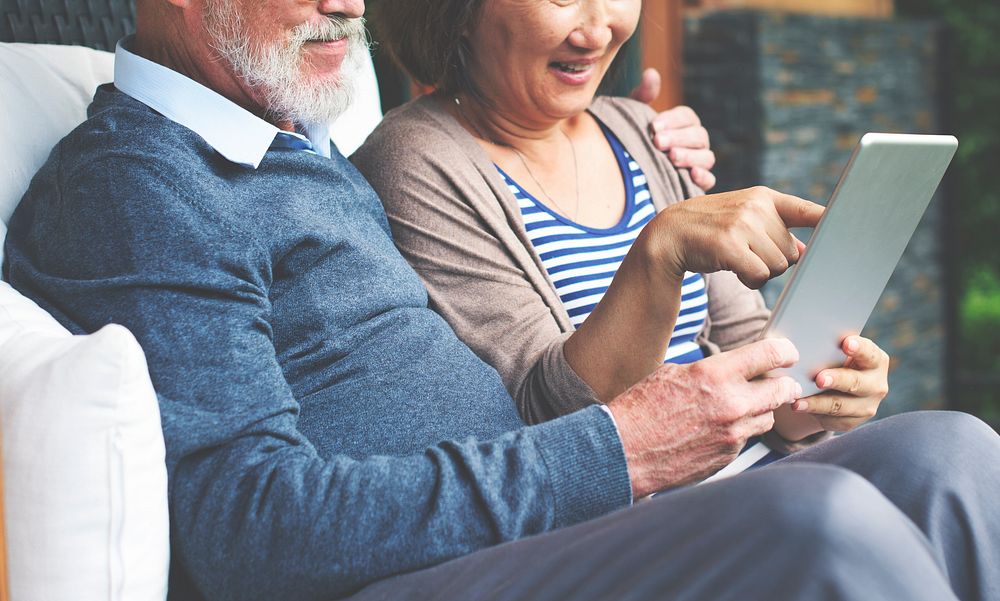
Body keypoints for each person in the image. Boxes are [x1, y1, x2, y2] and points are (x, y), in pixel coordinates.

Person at [4, 1, 999, 600]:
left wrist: (652, 153)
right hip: (407, 580)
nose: (350, 4)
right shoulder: (135, 188)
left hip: (528, 532)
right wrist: (615, 447)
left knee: (949, 451)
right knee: (812, 515)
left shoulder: (294, 154)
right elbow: (243, 529)